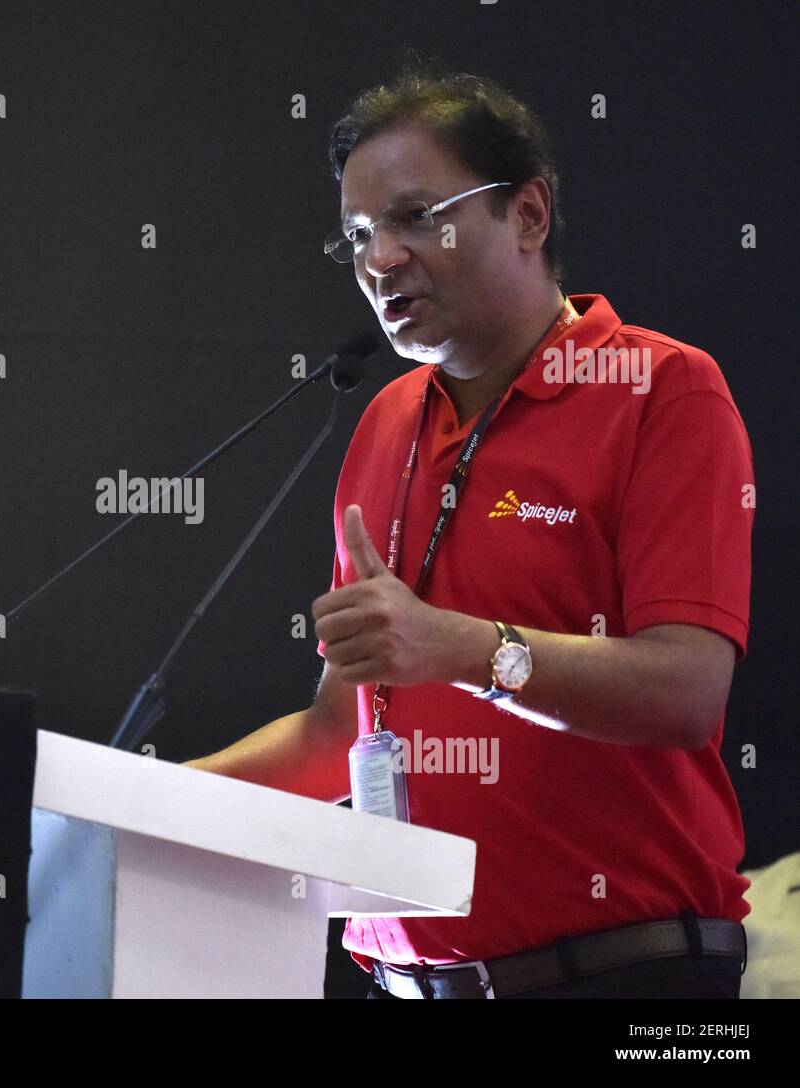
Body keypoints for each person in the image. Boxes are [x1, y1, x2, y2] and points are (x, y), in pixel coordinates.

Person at [184, 67, 754, 999]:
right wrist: (141, 805)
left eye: (415, 217)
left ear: (528, 215)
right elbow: (341, 729)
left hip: (622, 977)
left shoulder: (661, 390)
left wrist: (460, 648)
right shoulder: (385, 425)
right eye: (359, 237)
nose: (380, 260)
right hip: (406, 982)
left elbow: (687, 690)